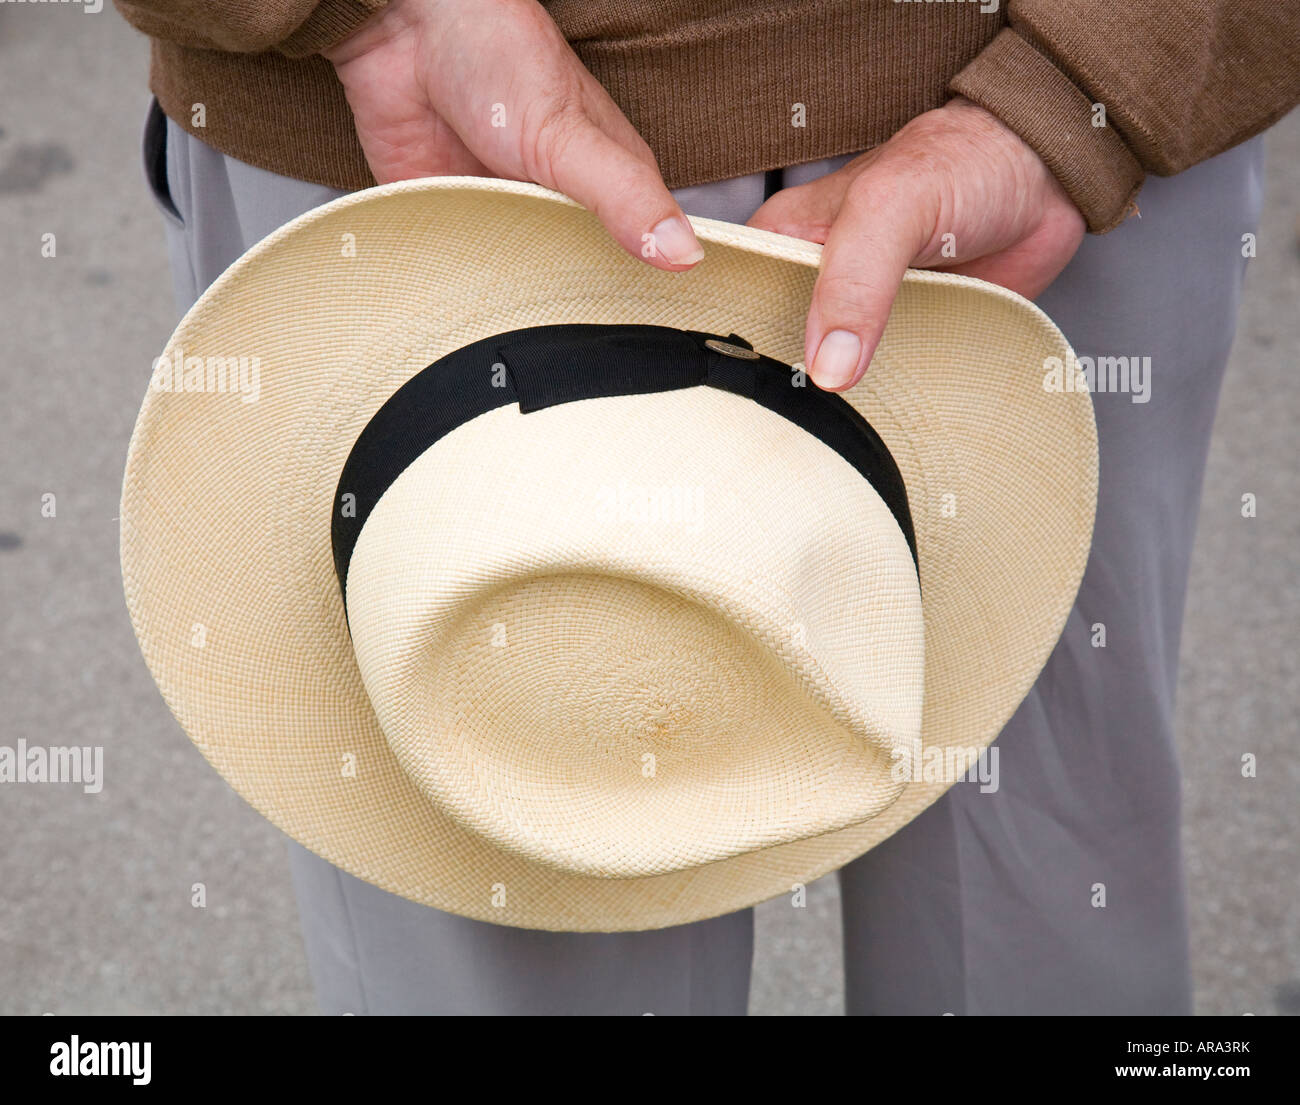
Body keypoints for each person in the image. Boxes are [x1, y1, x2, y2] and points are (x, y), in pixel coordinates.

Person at [116, 0, 1299, 1013]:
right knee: (502, 853)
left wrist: (1093, 79)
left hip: (1031, 154)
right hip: (415, 139)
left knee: (1048, 906)